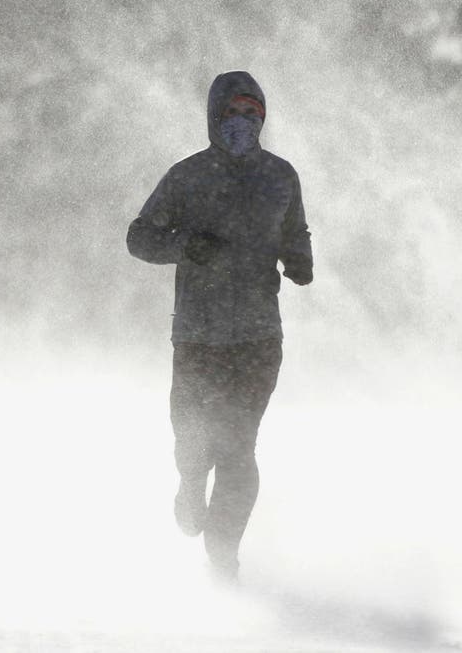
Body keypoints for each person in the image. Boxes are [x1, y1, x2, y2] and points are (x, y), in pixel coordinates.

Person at [126, 71, 313, 582]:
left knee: (237, 448)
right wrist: (185, 245)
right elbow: (139, 237)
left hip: (258, 340)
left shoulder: (280, 176)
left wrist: (299, 259)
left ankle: (224, 554)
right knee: (194, 442)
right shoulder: (186, 177)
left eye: (252, 113)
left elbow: (294, 229)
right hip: (197, 338)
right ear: (214, 117)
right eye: (232, 113)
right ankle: (190, 484)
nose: (242, 122)